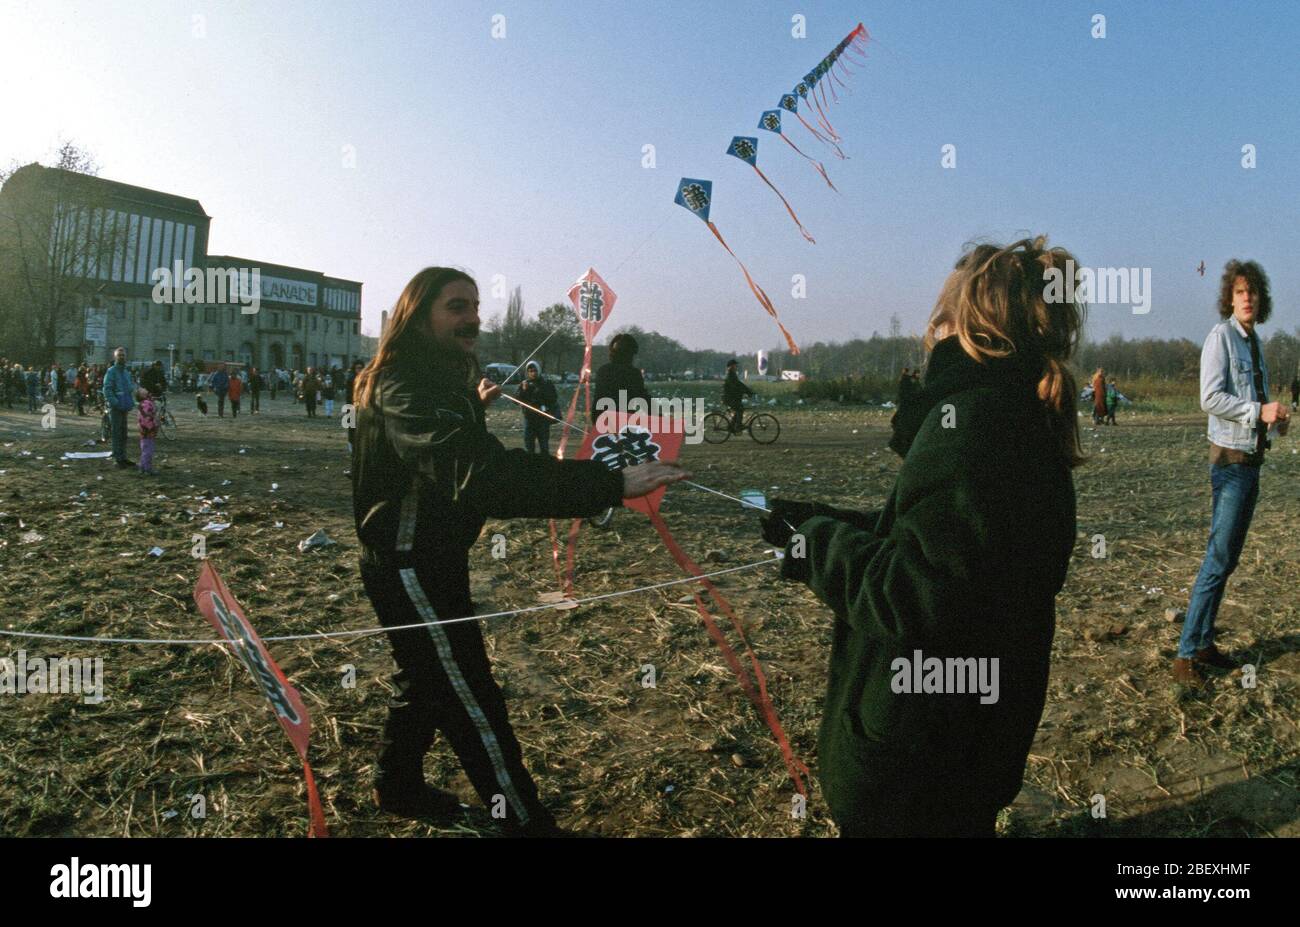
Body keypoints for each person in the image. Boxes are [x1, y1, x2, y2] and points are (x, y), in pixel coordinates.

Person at [759, 237, 1081, 837]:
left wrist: (816, 544)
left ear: (968, 321)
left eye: (946, 309)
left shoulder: (974, 423)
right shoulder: (1015, 411)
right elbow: (951, 547)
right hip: (970, 744)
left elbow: (916, 592)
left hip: (919, 764)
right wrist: (822, 519)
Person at [351, 267, 687, 835]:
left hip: (433, 554)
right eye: (457, 306)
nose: (473, 318)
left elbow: (453, 455)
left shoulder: (440, 376)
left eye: (476, 305)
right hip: (409, 564)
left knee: (429, 678)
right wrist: (605, 484)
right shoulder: (404, 384)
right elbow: (476, 473)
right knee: (471, 696)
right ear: (418, 312)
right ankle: (528, 824)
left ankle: (398, 782)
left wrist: (474, 407)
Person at [1174, 260, 1289, 686]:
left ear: (1261, 300)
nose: (1246, 298)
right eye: (1240, 292)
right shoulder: (1220, 337)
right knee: (1218, 559)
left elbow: (1254, 401)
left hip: (1251, 460)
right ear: (1229, 298)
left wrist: (1273, 419)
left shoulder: (1255, 343)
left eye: (1253, 292)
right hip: (1230, 464)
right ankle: (1186, 655)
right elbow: (1210, 397)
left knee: (1228, 559)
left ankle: (1203, 642)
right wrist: (1257, 411)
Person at [590, 333, 651, 426]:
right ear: (631, 354)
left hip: (603, 420)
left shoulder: (603, 370)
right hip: (626, 421)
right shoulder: (633, 373)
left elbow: (599, 398)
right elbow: (642, 398)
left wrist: (596, 419)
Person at [102, 347, 137, 469]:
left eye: (123, 355)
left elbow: (129, 389)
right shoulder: (111, 372)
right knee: (117, 433)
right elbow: (107, 389)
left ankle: (123, 456)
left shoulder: (126, 373)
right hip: (116, 407)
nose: (122, 357)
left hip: (125, 407)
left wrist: (131, 402)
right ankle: (118, 458)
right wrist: (115, 402)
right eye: (119, 355)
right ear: (115, 357)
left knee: (124, 433)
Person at [517, 361, 558, 455]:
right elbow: (516, 400)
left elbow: (553, 398)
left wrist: (541, 400)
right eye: (530, 371)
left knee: (544, 447)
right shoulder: (524, 384)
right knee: (529, 446)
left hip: (542, 419)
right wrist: (523, 390)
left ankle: (544, 466)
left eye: (535, 370)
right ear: (527, 372)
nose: (533, 373)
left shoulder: (546, 383)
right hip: (529, 419)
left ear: (539, 371)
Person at [723, 358, 754, 434]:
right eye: (735, 365)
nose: (736, 366)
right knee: (740, 409)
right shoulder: (730, 375)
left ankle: (731, 427)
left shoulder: (732, 374)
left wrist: (748, 391)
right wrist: (745, 391)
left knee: (738, 410)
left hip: (732, 398)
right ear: (731, 366)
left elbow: (739, 384)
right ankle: (738, 426)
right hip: (729, 398)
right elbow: (735, 386)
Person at [136, 387, 159, 476]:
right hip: (147, 430)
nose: (145, 389)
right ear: (141, 395)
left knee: (145, 449)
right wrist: (152, 426)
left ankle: (142, 466)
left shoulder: (145, 403)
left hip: (145, 430)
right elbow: (146, 417)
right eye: (142, 389)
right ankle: (147, 469)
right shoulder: (146, 404)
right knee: (148, 450)